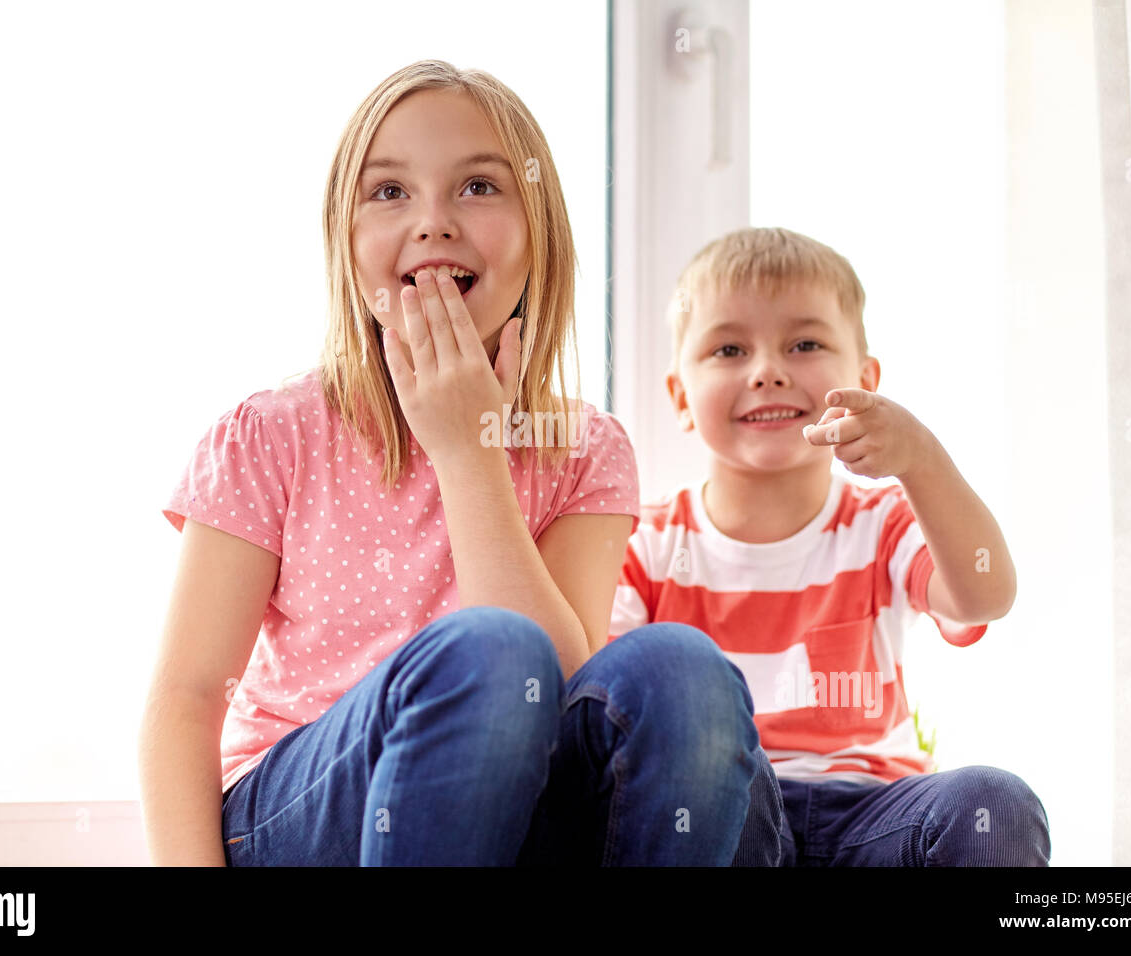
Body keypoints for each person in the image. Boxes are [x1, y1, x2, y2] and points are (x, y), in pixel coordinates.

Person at [138, 61, 782, 866]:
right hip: (303, 813)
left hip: (515, 811)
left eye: (479, 188)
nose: (434, 222)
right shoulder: (271, 435)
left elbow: (566, 694)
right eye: (389, 192)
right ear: (347, 242)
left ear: (537, 234)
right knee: (485, 650)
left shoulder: (586, 450)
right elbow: (186, 699)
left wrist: (471, 455)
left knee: (675, 669)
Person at [610, 226, 1051, 866]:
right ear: (680, 395)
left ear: (865, 379)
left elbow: (985, 595)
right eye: (729, 348)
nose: (767, 371)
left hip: (874, 816)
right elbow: (605, 712)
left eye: (805, 343)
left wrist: (921, 460)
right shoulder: (643, 542)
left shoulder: (883, 523)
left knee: (993, 802)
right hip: (730, 819)